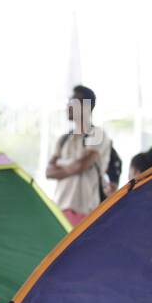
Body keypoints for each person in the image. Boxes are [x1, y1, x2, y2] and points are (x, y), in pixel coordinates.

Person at [46, 84, 113, 226]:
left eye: (73, 101)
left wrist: (62, 164)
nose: (68, 106)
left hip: (86, 212)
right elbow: (48, 172)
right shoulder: (63, 139)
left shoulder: (97, 134)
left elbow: (82, 165)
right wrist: (74, 165)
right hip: (60, 210)